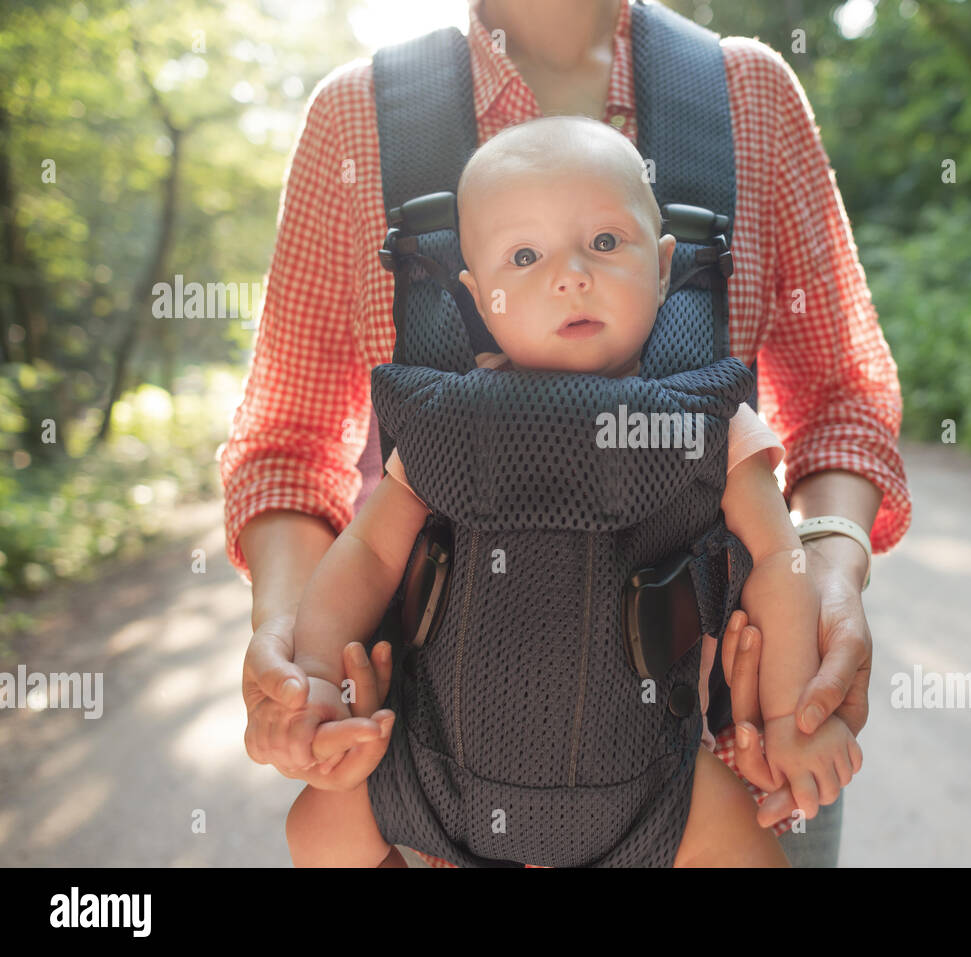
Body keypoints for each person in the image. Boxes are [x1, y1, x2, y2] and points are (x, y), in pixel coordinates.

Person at [224, 0, 910, 868]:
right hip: (432, 777)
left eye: (604, 243)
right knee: (317, 834)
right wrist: (305, 675)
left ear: (666, 265)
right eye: (524, 260)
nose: (570, 279)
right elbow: (304, 473)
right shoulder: (358, 120)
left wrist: (803, 677)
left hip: (702, 765)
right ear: (471, 293)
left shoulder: (748, 98)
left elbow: (838, 414)